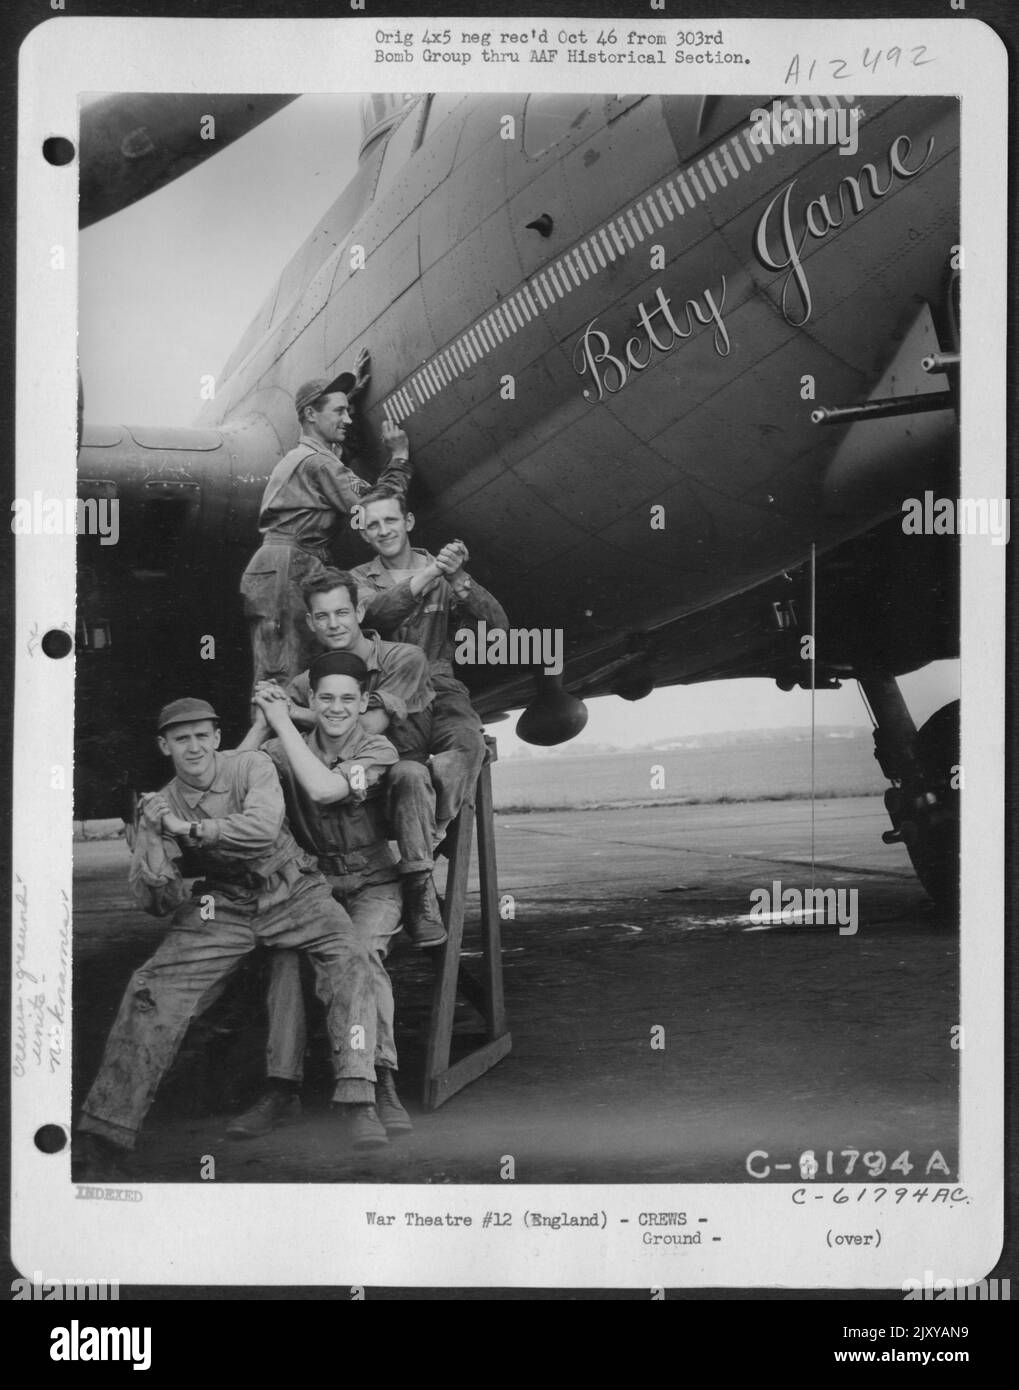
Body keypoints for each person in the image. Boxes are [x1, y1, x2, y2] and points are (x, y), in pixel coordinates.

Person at [75, 698, 388, 1174]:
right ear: (165, 746)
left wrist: (188, 829)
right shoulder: (162, 802)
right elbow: (157, 903)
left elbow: (262, 831)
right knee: (150, 989)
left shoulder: (252, 765)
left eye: (203, 735)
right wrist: (153, 841)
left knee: (352, 961)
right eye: (182, 739)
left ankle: (358, 1095)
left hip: (294, 890)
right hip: (220, 905)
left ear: (218, 737)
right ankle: (105, 1133)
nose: (194, 746)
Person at [227, 651, 411, 1143]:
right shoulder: (283, 747)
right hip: (311, 884)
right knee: (285, 958)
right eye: (325, 698)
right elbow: (231, 782)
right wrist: (265, 719)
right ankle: (281, 1088)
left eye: (347, 699)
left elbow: (328, 789)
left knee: (363, 955)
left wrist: (283, 722)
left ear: (363, 702)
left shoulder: (378, 749)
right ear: (311, 698)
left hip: (373, 882)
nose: (335, 708)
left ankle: (377, 1081)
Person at [248, 566, 447, 947]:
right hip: (342, 792)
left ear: (358, 613)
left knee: (409, 773)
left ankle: (420, 888)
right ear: (310, 622)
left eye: (341, 612)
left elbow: (366, 727)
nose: (333, 624)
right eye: (322, 616)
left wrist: (293, 713)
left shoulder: (404, 658)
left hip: (395, 783)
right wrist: (267, 714)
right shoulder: (305, 683)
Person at [239, 358, 412, 688]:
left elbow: (341, 455)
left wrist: (350, 398)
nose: (347, 419)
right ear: (309, 414)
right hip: (287, 568)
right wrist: (400, 460)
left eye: (349, 411)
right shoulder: (317, 464)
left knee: (298, 670)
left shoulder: (313, 458)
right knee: (284, 674)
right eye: (339, 412)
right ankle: (271, 740)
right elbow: (372, 510)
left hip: (289, 565)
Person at [351, 490, 509, 844]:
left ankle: (437, 827)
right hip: (389, 693)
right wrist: (434, 572)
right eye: (372, 525)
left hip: (441, 686)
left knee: (469, 744)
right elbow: (377, 614)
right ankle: (418, 842)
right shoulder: (357, 581)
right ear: (363, 533)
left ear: (407, 522)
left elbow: (497, 628)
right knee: (402, 771)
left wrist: (457, 578)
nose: (383, 530)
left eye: (390, 520)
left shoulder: (445, 576)